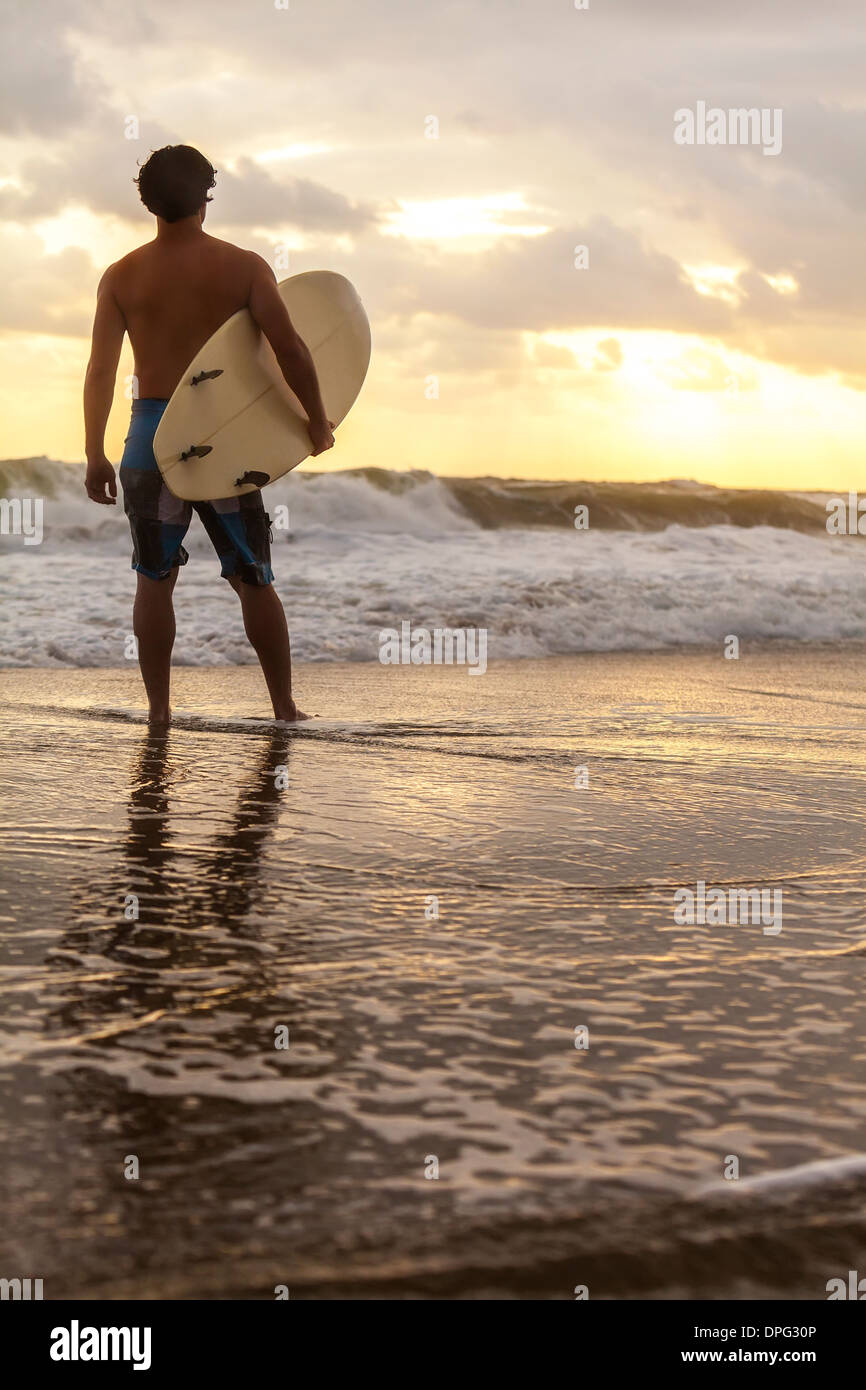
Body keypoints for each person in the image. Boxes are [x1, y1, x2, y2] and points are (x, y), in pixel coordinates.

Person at [83, 144, 334, 724]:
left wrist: (93, 452)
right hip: (224, 441)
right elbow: (289, 349)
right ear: (207, 197)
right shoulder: (243, 266)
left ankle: (160, 711)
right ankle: (284, 708)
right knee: (253, 578)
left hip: (149, 439)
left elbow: (100, 371)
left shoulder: (121, 276)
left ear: (148, 201)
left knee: (154, 579)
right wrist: (315, 420)